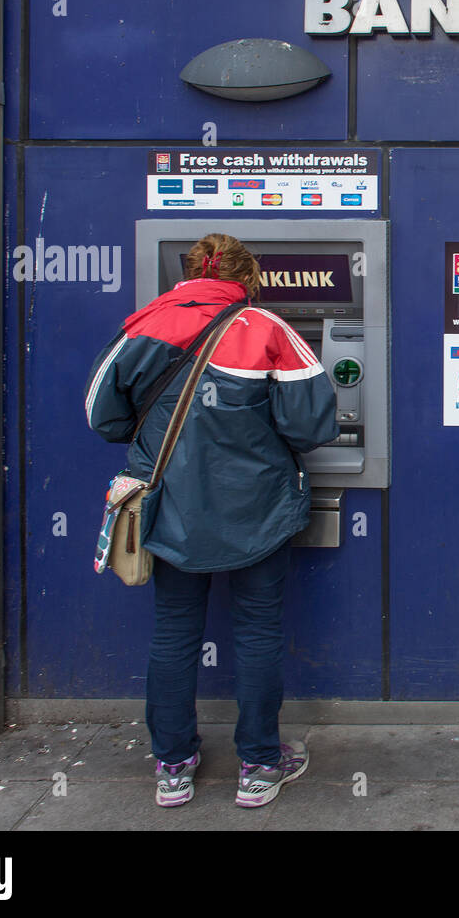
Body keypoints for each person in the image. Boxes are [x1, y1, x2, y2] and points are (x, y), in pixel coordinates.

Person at [84, 233, 338, 809]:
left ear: (189, 274)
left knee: (174, 633)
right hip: (257, 512)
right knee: (257, 632)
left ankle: (172, 765)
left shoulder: (142, 327)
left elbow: (102, 413)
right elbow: (313, 426)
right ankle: (259, 765)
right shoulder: (267, 328)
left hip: (172, 508)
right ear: (247, 281)